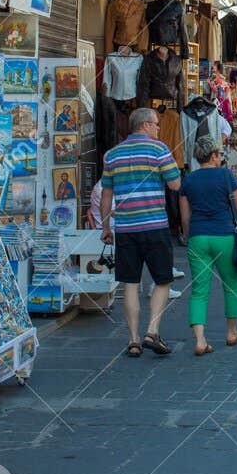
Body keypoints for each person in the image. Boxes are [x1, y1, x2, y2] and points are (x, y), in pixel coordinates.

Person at [99, 107, 184, 358]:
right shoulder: (159, 149)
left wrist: (106, 227)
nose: (158, 128)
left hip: (126, 228)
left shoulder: (112, 155)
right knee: (163, 280)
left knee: (130, 284)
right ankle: (152, 332)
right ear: (145, 125)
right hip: (155, 225)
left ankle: (134, 340)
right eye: (156, 124)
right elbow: (175, 184)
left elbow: (106, 194)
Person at [178, 138, 237, 357]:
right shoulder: (225, 175)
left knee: (199, 290)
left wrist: (189, 237)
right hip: (224, 235)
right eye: (219, 154)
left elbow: (185, 218)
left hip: (198, 236)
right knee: (232, 284)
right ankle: (231, 332)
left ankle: (200, 340)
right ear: (214, 155)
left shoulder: (188, 180)